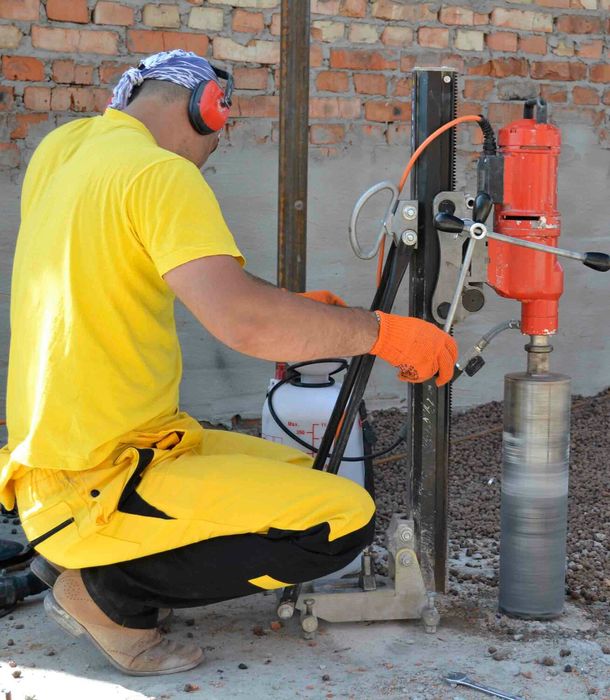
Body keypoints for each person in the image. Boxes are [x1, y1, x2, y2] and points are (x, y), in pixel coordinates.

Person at [0, 50, 457, 676]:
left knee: (309, 474)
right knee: (339, 521)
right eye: (222, 131)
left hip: (68, 460)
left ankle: (88, 556)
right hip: (99, 478)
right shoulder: (161, 174)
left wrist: (294, 307)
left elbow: (216, 282)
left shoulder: (64, 149)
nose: (213, 151)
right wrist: (381, 334)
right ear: (210, 109)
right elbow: (245, 321)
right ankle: (107, 594)